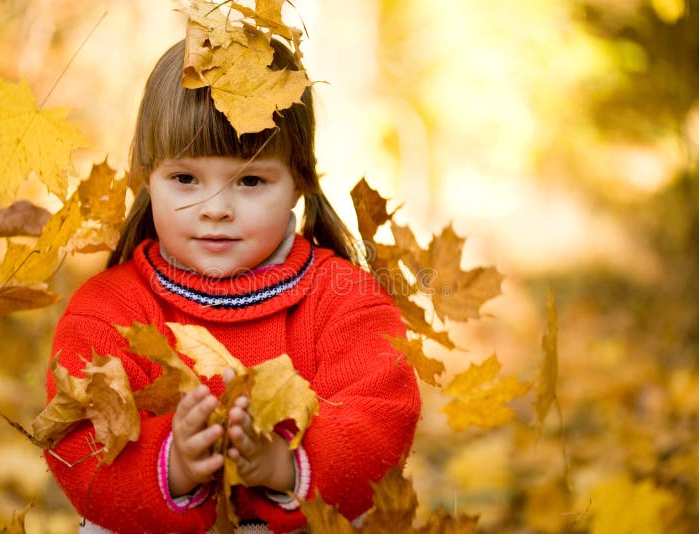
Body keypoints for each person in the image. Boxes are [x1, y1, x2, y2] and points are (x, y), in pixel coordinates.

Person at [44, 37, 421, 534]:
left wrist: (286, 465)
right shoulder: (108, 309)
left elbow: (382, 414)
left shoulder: (344, 299)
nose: (216, 207)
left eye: (249, 182)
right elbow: (79, 443)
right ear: (146, 179)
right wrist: (173, 465)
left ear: (299, 183)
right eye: (185, 178)